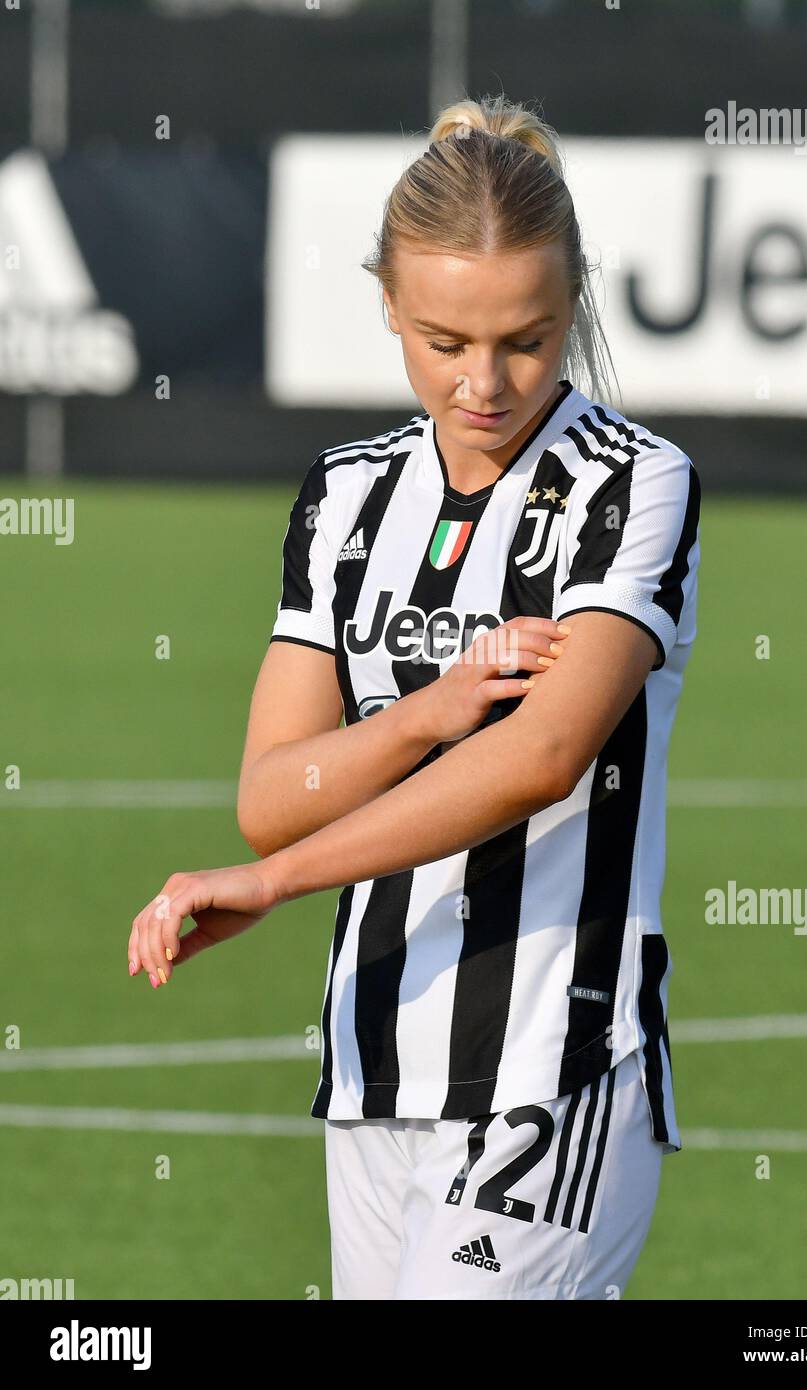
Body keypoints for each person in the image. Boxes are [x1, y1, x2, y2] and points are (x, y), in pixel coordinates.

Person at [127, 94, 701, 1301]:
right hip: (373, 1069)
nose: (484, 383)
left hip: (549, 1071)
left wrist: (276, 885)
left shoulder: (632, 485)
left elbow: (543, 756)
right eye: (444, 342)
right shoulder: (343, 496)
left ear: (576, 299)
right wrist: (426, 711)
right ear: (387, 300)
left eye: (528, 340)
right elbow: (272, 795)